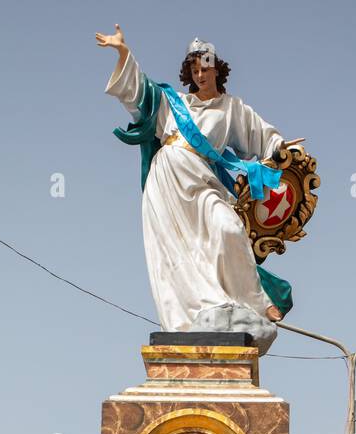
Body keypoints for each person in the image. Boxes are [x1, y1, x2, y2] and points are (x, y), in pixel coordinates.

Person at [96, 24, 295, 335]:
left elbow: (263, 137)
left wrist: (282, 152)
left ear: (217, 70)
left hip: (203, 182)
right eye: (194, 69)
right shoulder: (175, 103)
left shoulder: (232, 109)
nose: (200, 75)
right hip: (167, 184)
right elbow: (138, 92)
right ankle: (193, 318)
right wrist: (123, 53)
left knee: (228, 229)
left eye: (205, 68)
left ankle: (256, 301)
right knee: (178, 254)